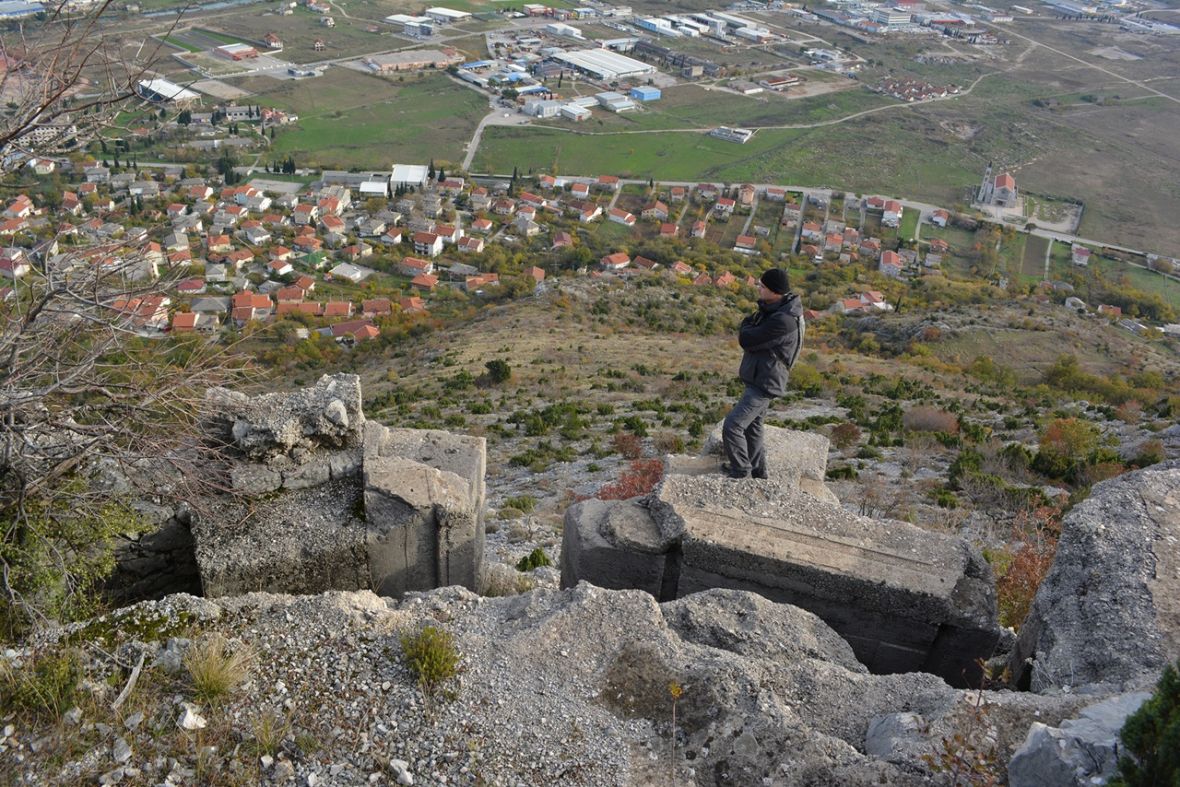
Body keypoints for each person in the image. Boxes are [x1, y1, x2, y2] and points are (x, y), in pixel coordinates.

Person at [721, 268, 803, 479]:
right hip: (763, 376)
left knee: (733, 426)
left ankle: (741, 472)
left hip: (765, 382)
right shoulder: (780, 310)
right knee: (753, 428)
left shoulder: (782, 320)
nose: (758, 288)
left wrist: (747, 324)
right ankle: (758, 473)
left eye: (762, 286)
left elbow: (747, 339)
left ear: (775, 291)